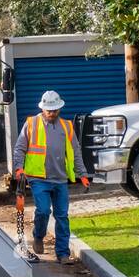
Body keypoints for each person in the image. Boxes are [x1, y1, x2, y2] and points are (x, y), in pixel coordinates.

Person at [13, 89, 90, 264]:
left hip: (60, 179)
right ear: (43, 109)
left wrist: (83, 174)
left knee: (62, 216)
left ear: (60, 109)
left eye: (55, 110)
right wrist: (18, 168)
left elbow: (75, 152)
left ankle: (63, 254)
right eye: (49, 111)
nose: (52, 113)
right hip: (38, 178)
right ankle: (38, 235)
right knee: (43, 210)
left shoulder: (67, 126)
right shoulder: (31, 124)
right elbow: (19, 148)